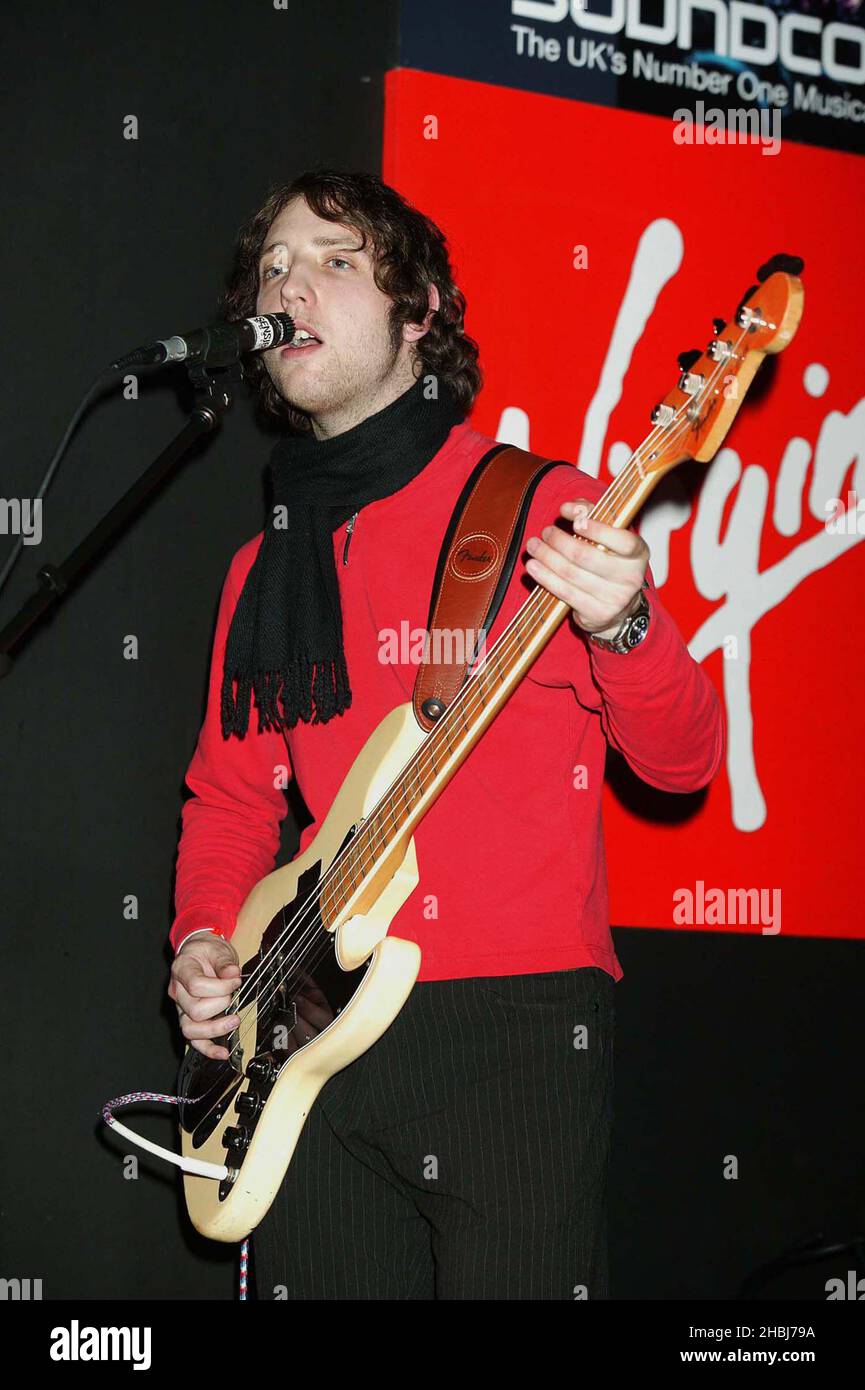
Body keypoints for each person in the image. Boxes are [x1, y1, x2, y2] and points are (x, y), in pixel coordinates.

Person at [166, 169, 724, 1300]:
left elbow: (682, 762)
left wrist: (622, 621)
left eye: (333, 259)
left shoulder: (536, 502)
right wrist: (202, 938)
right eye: (272, 266)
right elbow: (231, 801)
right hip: (305, 1029)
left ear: (419, 311)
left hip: (507, 1027)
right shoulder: (260, 567)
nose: (290, 284)